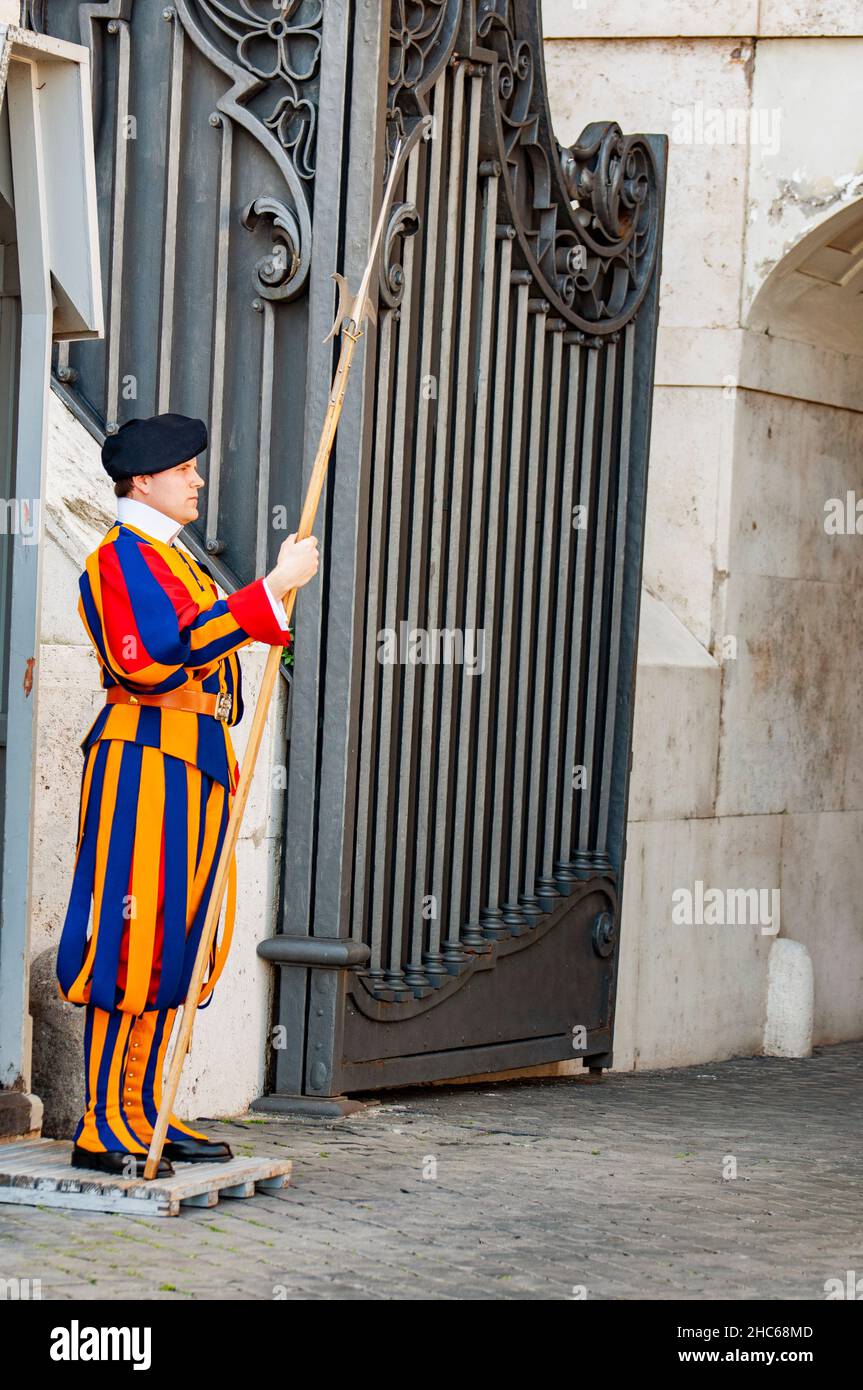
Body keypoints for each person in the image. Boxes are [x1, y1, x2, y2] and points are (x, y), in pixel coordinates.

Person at [55, 412, 319, 1177]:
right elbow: (153, 659)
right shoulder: (119, 559)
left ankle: (145, 1111)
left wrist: (264, 610)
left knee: (180, 938)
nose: (198, 480)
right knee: (131, 941)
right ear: (144, 480)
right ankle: (104, 1125)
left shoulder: (174, 559)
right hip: (144, 760)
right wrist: (266, 591)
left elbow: (217, 638)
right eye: (185, 469)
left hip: (191, 762)